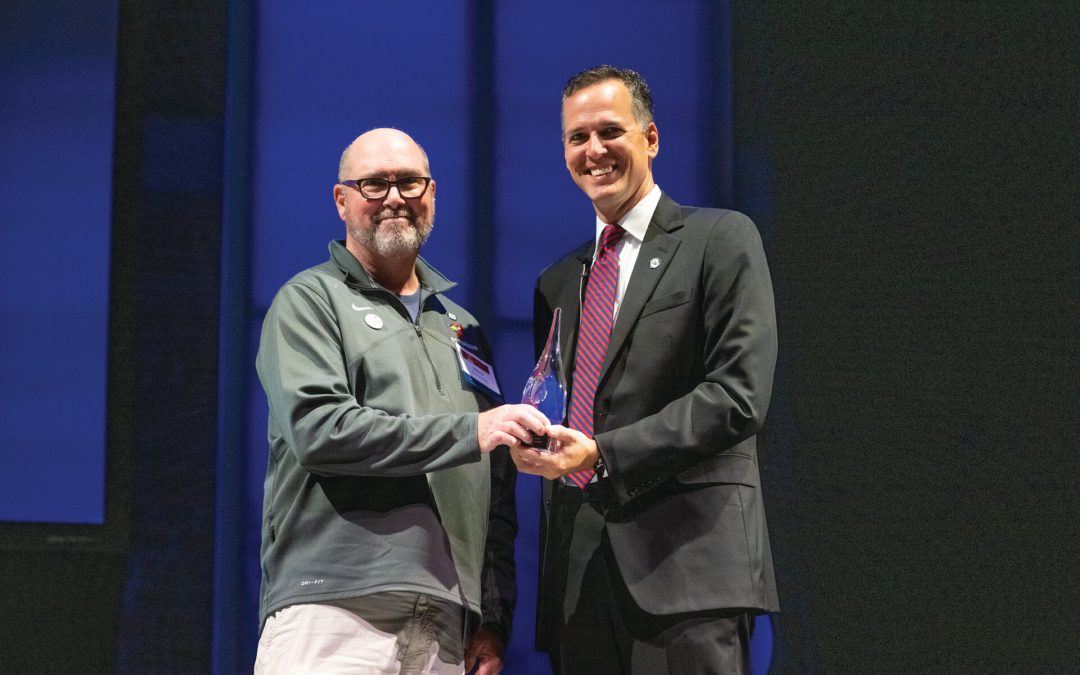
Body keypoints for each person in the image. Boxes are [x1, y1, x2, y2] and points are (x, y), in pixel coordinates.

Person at [511, 66, 780, 674]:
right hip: (579, 584)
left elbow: (739, 396)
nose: (594, 150)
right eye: (577, 138)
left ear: (651, 139)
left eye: (611, 131)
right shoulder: (557, 282)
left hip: (690, 570)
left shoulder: (720, 238)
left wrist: (601, 452)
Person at [254, 128, 547, 675]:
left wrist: (493, 616)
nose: (395, 197)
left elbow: (495, 486)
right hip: (334, 603)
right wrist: (470, 432)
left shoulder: (462, 328)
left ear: (432, 193)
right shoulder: (309, 301)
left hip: (446, 622)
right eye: (374, 184)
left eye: (410, 182)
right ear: (341, 200)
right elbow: (322, 432)